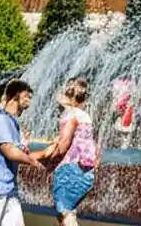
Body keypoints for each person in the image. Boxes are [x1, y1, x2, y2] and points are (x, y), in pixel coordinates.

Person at [0, 80, 48, 226]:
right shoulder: (0, 121)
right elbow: (10, 151)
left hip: (8, 189)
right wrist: (32, 162)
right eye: (26, 96)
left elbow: (18, 151)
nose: (28, 101)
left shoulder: (10, 121)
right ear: (15, 96)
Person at [33, 78, 98, 226]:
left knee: (66, 216)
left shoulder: (70, 116)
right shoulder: (85, 116)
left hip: (69, 170)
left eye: (62, 93)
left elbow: (63, 146)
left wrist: (45, 161)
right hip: (85, 171)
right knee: (67, 213)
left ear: (67, 95)